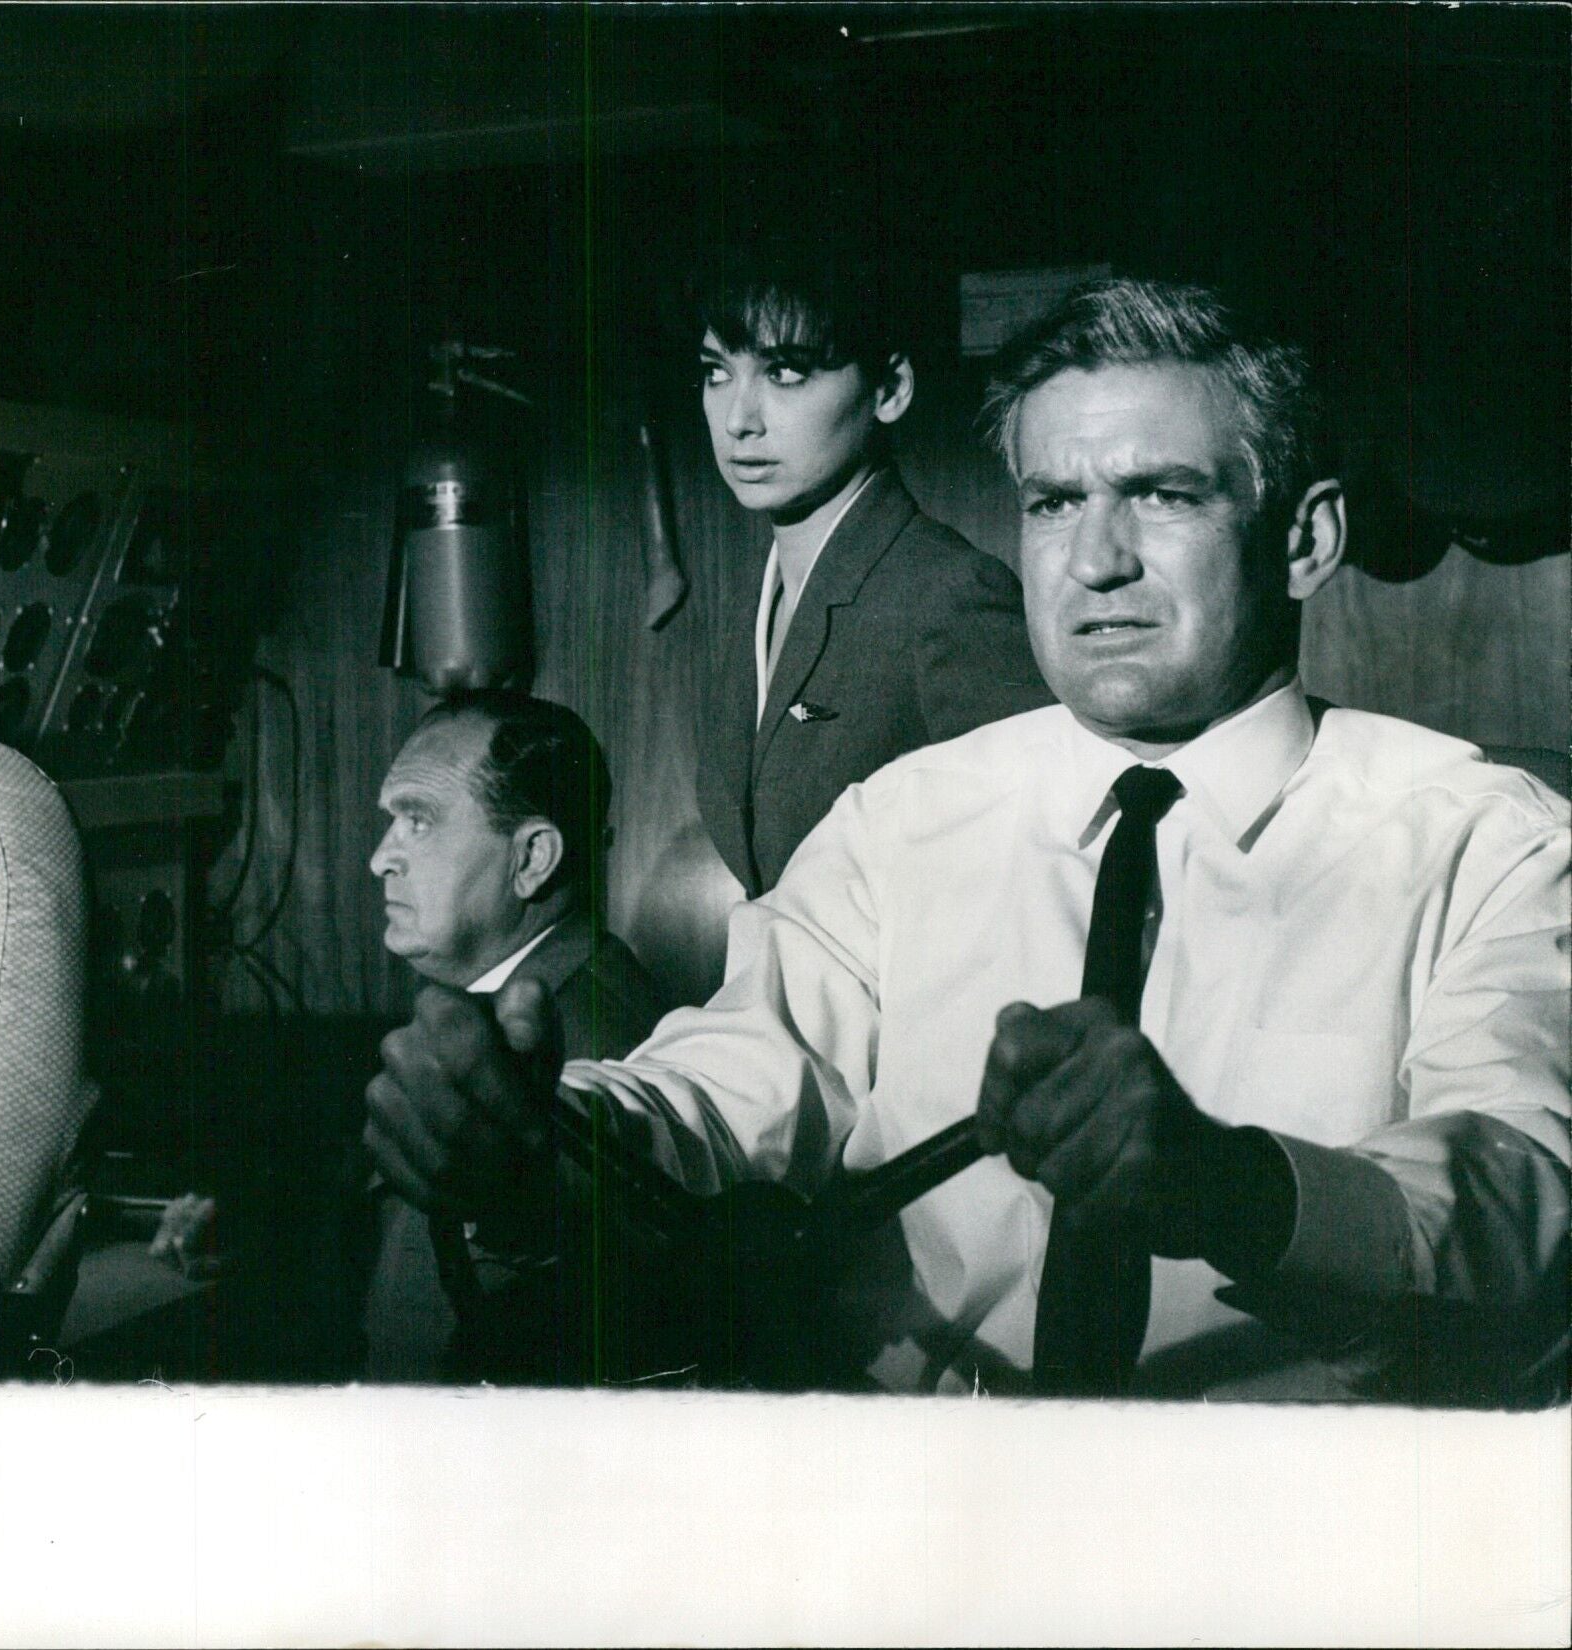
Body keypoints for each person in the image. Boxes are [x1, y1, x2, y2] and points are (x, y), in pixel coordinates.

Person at [364, 278, 1571, 1403]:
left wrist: (1232, 1183)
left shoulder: (1485, 842)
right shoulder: (898, 825)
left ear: (1304, 541)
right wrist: (552, 1137)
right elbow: (729, 1080)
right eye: (1053, 503)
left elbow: (1521, 1200)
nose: (1094, 561)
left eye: (1161, 494)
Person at [153, 691, 664, 1381]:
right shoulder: (528, 999)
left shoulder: (598, 1050)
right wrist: (257, 1226)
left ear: (533, 858)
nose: (378, 859)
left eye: (418, 823)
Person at [692, 232, 1052, 897]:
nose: (739, 419)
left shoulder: (949, 595)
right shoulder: (754, 604)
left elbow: (1040, 879)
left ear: (888, 389)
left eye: (786, 371)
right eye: (717, 372)